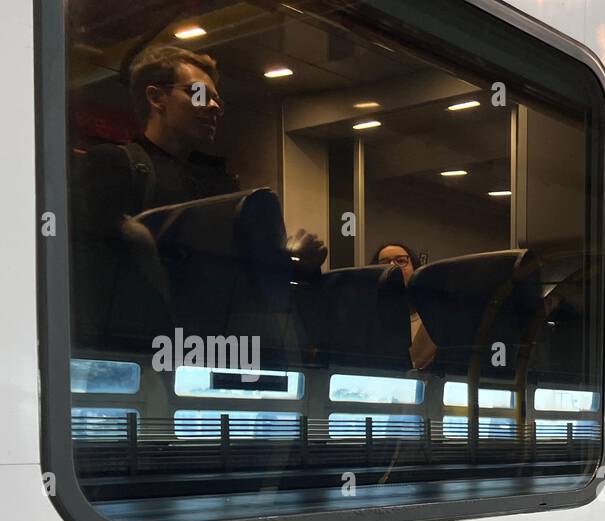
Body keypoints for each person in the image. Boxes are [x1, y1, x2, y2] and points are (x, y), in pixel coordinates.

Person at [74, 44, 325, 266]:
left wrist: (290, 262)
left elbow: (240, 275)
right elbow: (95, 266)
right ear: (157, 97)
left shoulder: (220, 184)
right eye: (200, 95)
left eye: (218, 101)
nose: (214, 107)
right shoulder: (115, 164)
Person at [373, 242, 437, 371]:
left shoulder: (435, 318)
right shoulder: (367, 319)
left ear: (416, 269)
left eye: (401, 261)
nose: (393, 267)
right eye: (384, 263)